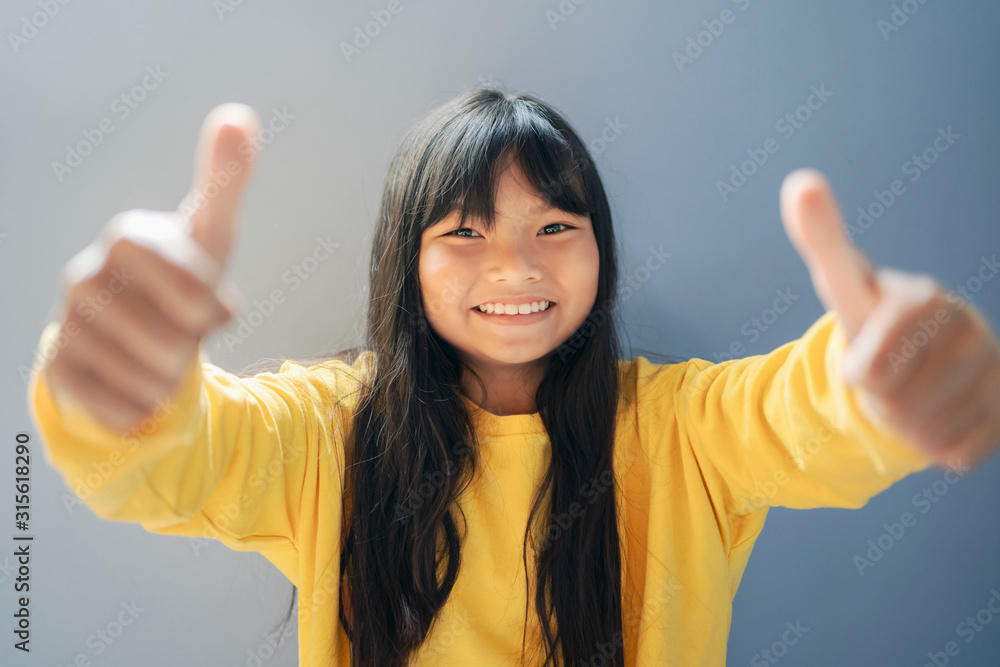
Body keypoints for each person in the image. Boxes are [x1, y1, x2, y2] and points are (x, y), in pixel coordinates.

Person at [26, 89, 1000, 667]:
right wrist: (127, 381)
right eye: (463, 232)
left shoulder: (675, 428)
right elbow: (181, 459)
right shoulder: (331, 430)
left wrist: (884, 374)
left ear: (600, 254)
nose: (514, 267)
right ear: (405, 260)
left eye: (553, 227)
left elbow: (799, 413)